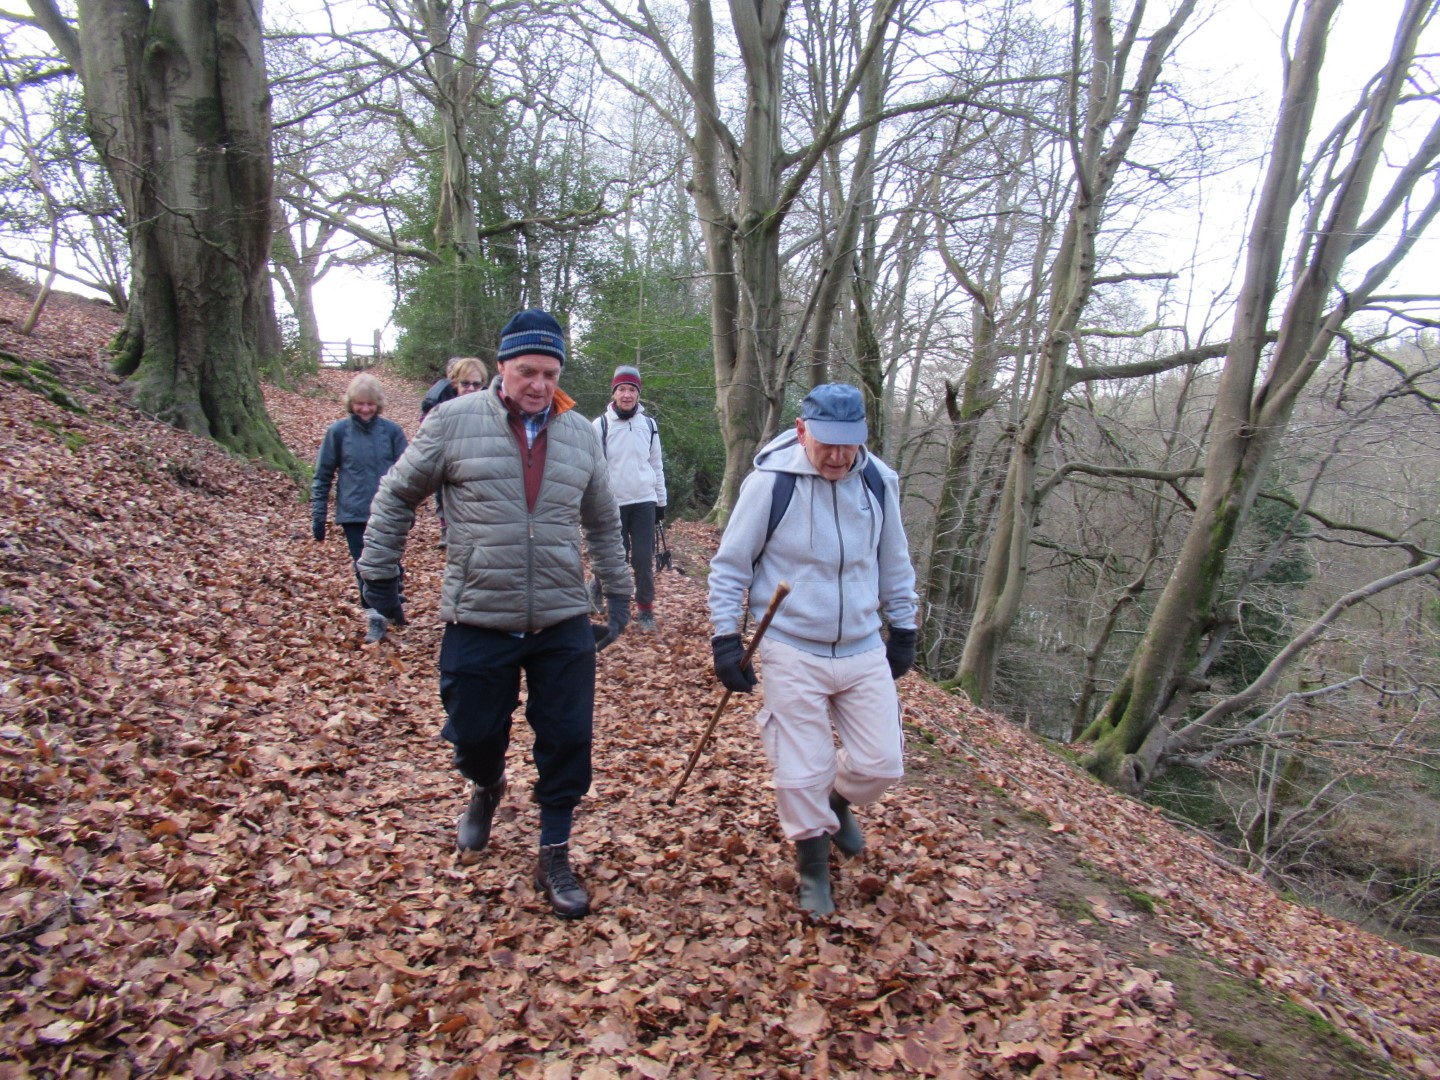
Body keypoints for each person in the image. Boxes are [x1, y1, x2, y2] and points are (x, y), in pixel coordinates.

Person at [358, 309, 632, 919]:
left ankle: (554, 850)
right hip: (480, 611)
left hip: (562, 614)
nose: (538, 384)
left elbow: (604, 521)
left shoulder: (581, 434)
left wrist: (618, 593)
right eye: (527, 370)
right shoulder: (453, 423)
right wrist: (378, 574)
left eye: (550, 372)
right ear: (502, 367)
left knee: (568, 740)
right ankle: (486, 783)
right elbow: (399, 493)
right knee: (474, 734)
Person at [706, 383, 918, 917]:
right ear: (802, 431)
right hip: (791, 645)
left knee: (882, 763)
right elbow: (731, 566)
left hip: (862, 644)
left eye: (848, 444)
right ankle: (813, 868)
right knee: (801, 768)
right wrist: (726, 639)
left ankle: (837, 803)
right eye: (826, 442)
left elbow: (894, 561)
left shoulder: (878, 482)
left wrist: (905, 627)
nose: (837, 455)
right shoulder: (770, 485)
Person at [310, 372, 409, 644]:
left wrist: (408, 509)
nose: (365, 409)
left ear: (378, 404)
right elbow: (323, 474)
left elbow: (410, 474)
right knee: (364, 568)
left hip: (388, 513)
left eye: (370, 404)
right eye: (359, 404)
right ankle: (376, 617)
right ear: (351, 403)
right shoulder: (338, 432)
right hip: (353, 513)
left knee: (391, 565)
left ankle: (392, 605)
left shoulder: (392, 432)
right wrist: (319, 513)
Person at [590, 365, 667, 631]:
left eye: (631, 390)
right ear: (614, 393)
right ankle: (601, 591)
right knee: (616, 559)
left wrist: (660, 502)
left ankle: (646, 611)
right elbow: (594, 470)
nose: (626, 395)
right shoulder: (599, 426)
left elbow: (656, 464)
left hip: (644, 501)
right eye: (621, 389)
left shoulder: (649, 425)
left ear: (638, 393)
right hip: (613, 504)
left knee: (643, 559)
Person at [421, 357, 487, 545]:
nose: (471, 389)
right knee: (445, 495)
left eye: (476, 384)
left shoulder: (492, 408)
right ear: (455, 382)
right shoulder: (440, 406)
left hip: (480, 468)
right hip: (451, 464)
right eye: (465, 383)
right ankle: (446, 528)